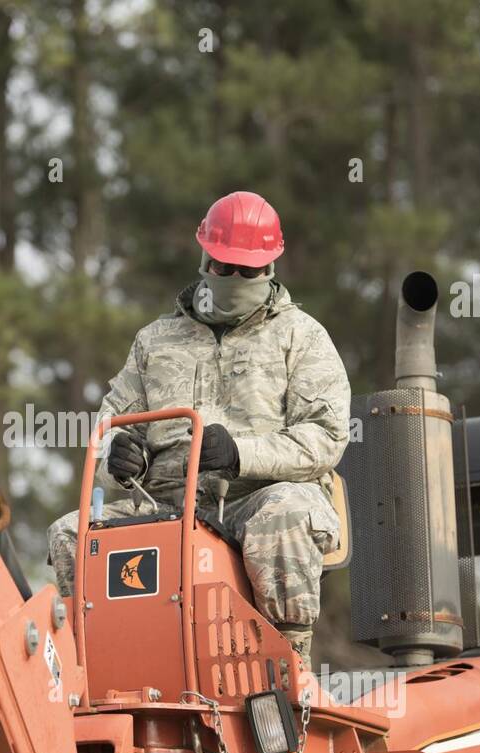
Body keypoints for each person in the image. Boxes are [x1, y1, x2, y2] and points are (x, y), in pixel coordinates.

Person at [46, 191, 351, 665]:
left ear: (270, 269)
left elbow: (327, 436)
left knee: (285, 512)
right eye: (223, 267)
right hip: (165, 502)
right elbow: (108, 434)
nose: (234, 278)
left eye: (247, 271)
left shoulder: (302, 337)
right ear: (204, 258)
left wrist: (240, 454)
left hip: (257, 496)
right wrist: (122, 459)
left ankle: (291, 668)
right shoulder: (154, 342)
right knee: (72, 533)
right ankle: (98, 668)